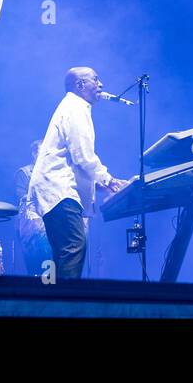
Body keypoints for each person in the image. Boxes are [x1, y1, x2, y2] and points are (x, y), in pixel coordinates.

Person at [27, 67, 129, 281]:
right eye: (96, 79)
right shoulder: (76, 108)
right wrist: (108, 179)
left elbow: (74, 160)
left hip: (53, 190)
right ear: (80, 85)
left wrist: (102, 184)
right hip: (59, 191)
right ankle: (66, 307)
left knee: (64, 252)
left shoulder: (72, 107)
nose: (101, 85)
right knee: (74, 247)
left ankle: (55, 305)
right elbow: (83, 155)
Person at [15, 140, 52, 276]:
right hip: (31, 226)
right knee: (34, 265)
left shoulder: (52, 174)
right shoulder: (24, 173)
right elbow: (22, 197)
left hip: (49, 223)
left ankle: (49, 288)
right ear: (34, 153)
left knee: (50, 265)